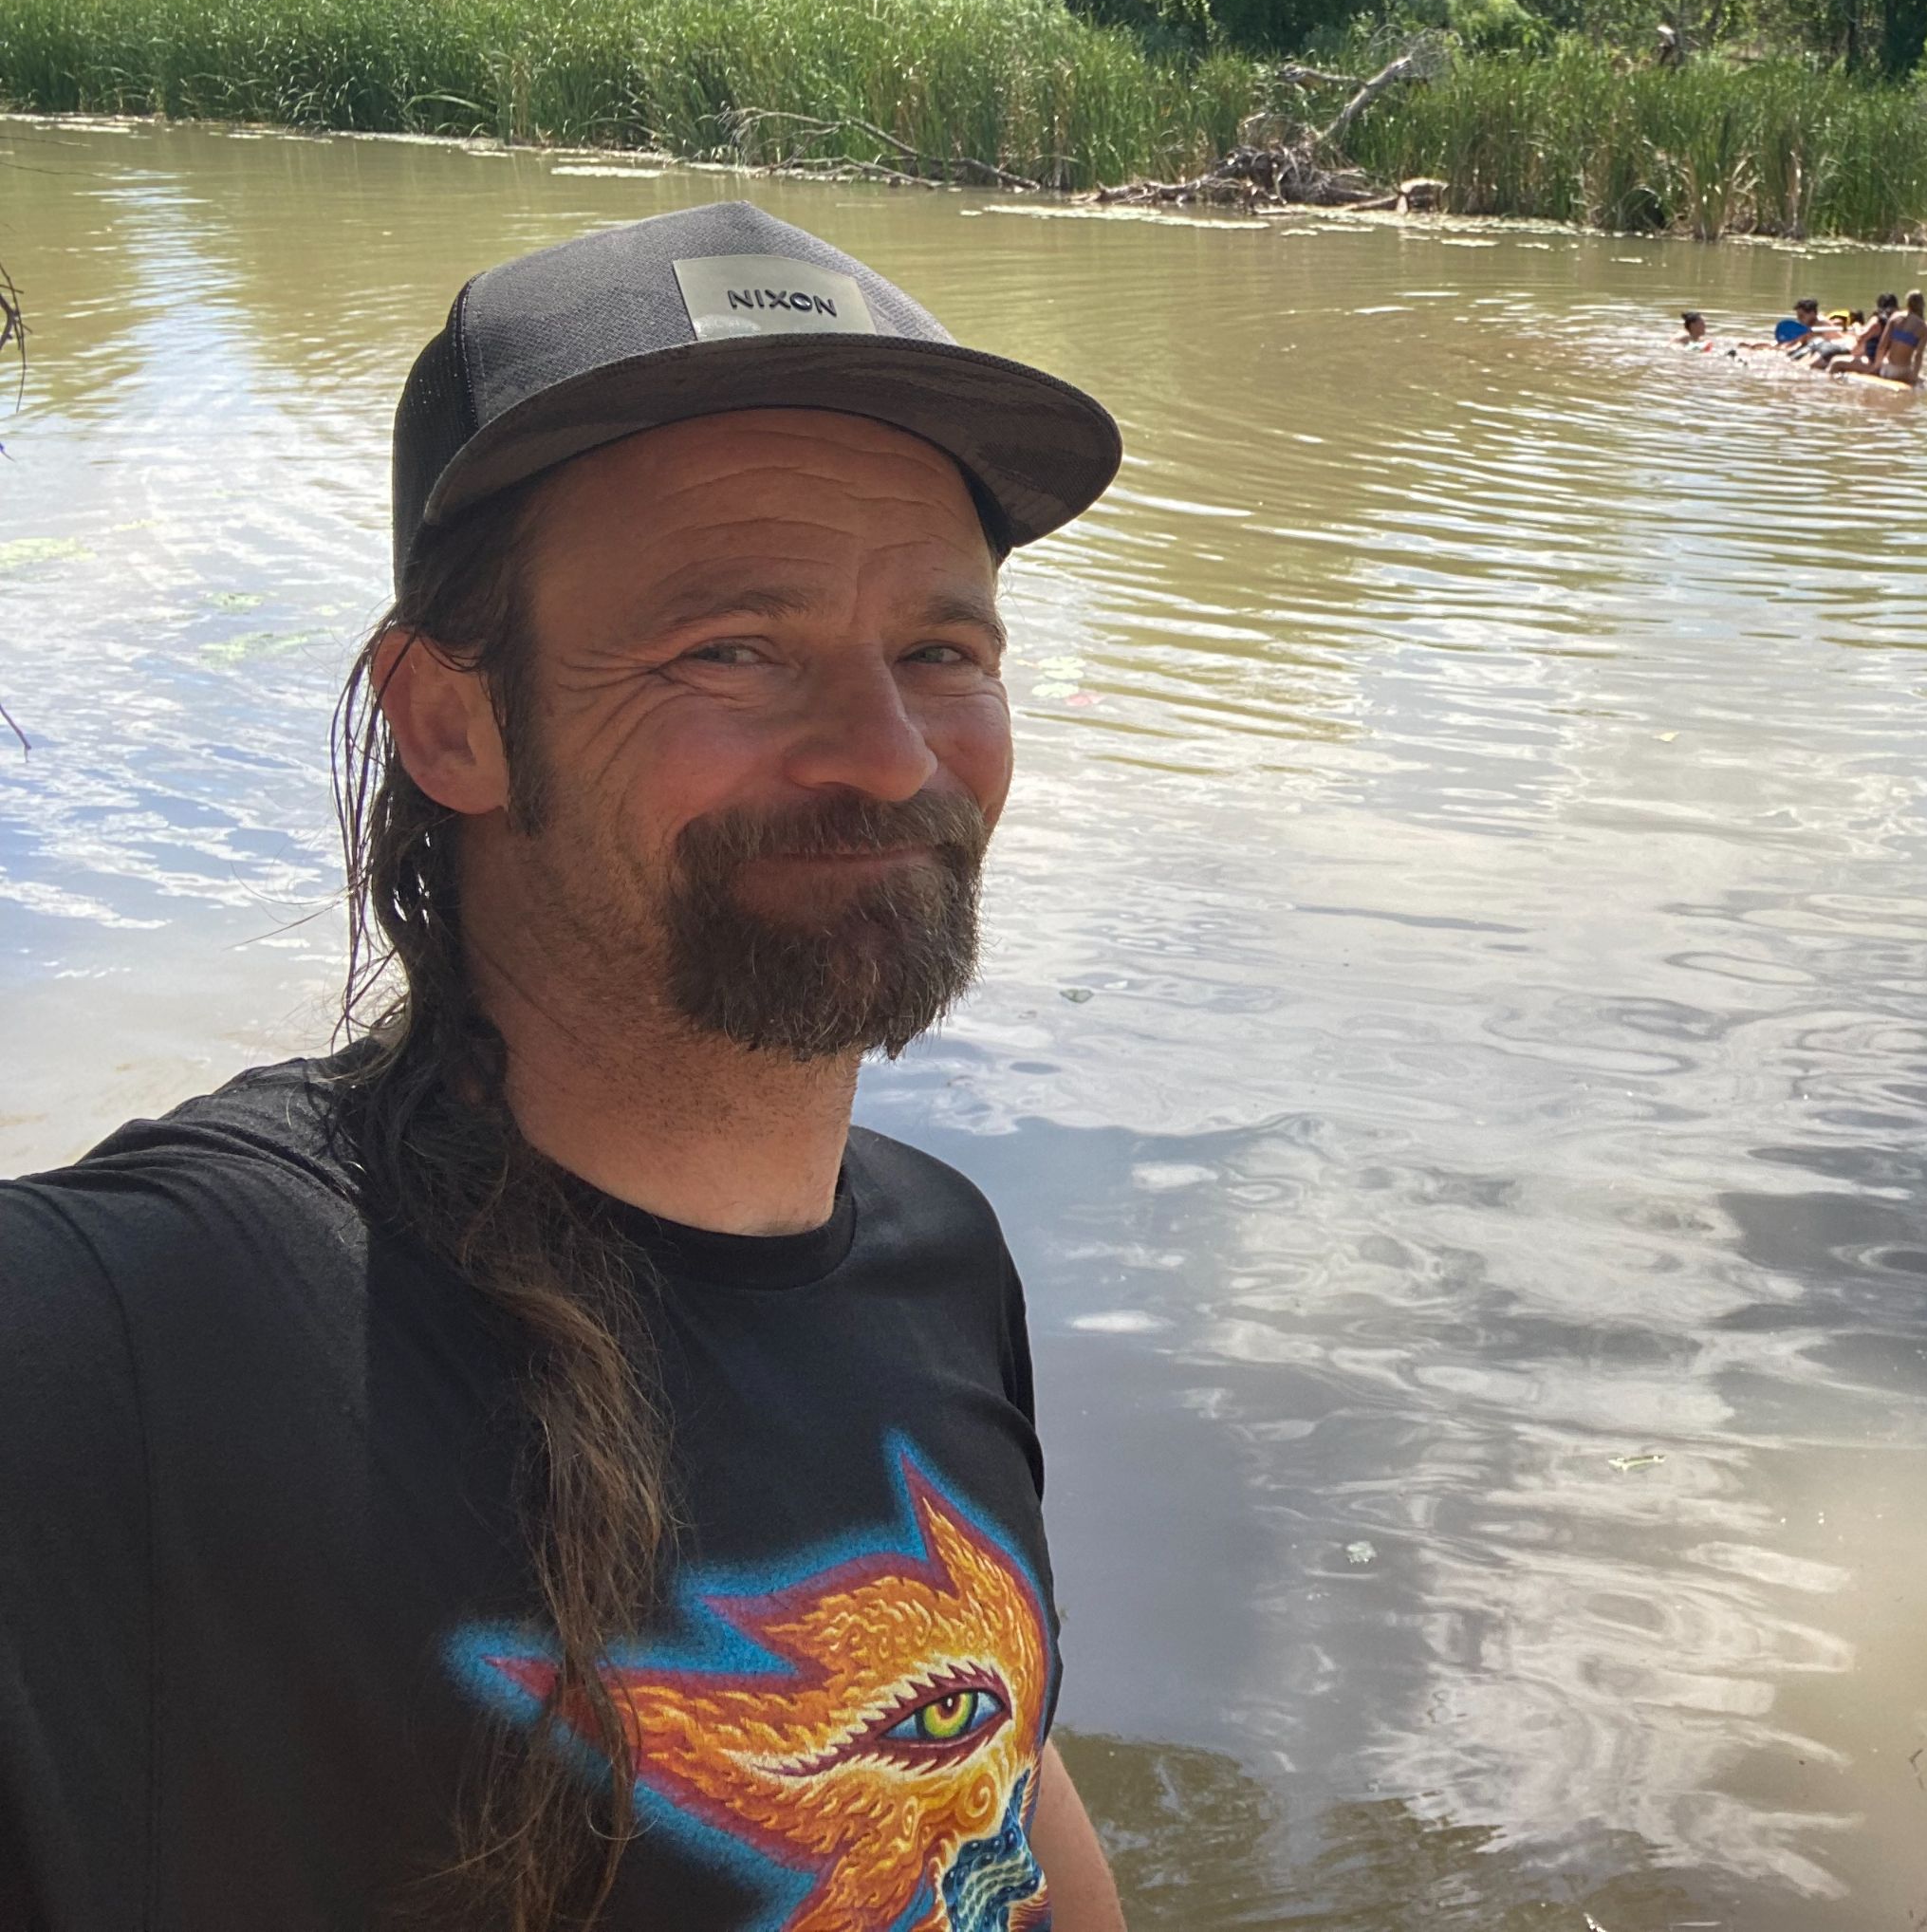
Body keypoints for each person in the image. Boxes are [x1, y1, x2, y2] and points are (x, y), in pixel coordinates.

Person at [0, 201, 1131, 1931]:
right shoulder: (147, 1333)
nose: (886, 753)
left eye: (940, 649)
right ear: (450, 720)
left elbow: (1006, 1767)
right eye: (729, 649)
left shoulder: (939, 1254)